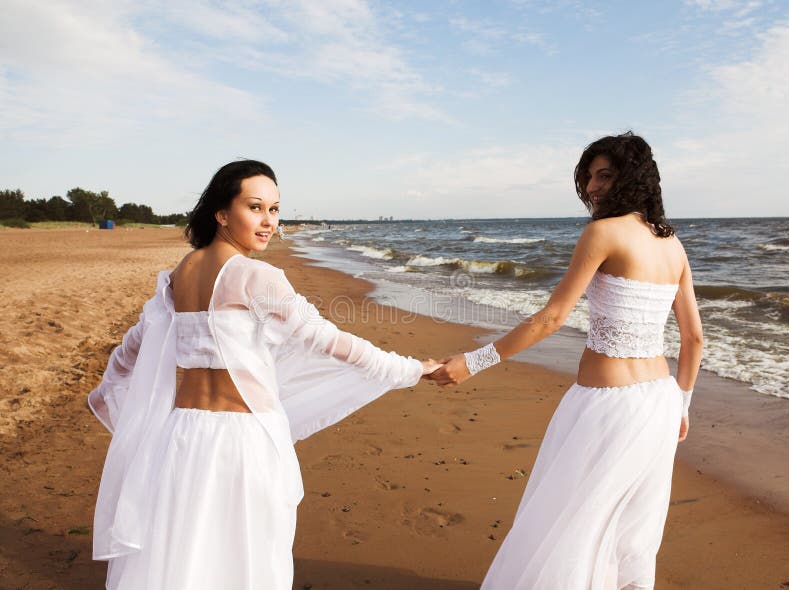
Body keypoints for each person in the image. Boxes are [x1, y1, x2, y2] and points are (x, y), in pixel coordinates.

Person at [87, 160, 439, 590]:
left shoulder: (179, 275)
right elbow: (328, 340)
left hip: (182, 437)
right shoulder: (256, 275)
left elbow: (131, 349)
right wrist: (409, 369)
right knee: (245, 560)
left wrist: (107, 394)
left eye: (274, 209)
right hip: (243, 442)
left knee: (186, 555)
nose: (268, 221)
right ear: (221, 213)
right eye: (255, 207)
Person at [428, 132, 703, 590]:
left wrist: (473, 362)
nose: (593, 187)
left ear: (632, 179)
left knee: (570, 523)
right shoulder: (672, 244)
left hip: (607, 406)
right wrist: (683, 405)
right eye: (589, 177)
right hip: (659, 403)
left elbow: (552, 317)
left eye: (605, 176)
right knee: (630, 527)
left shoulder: (602, 233)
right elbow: (693, 339)